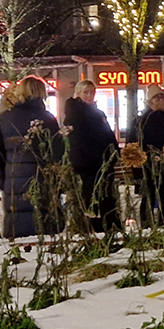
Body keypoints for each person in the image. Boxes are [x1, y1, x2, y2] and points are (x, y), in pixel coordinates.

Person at [0, 76, 64, 239]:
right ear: (42, 93)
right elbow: (58, 153)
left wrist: (4, 176)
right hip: (42, 179)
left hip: (14, 178)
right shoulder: (48, 119)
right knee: (43, 226)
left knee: (18, 225)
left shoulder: (5, 117)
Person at [62, 79, 121, 231]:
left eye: (92, 92)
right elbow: (79, 140)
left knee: (106, 195)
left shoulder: (97, 113)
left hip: (103, 161)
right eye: (86, 92)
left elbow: (107, 135)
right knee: (92, 196)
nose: (89, 96)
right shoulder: (75, 113)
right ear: (78, 93)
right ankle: (95, 227)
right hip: (88, 163)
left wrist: (114, 152)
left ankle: (110, 224)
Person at [138, 90, 164, 223]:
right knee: (149, 194)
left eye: (163, 97)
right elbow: (137, 142)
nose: (161, 100)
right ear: (150, 100)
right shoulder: (144, 119)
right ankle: (146, 224)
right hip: (150, 164)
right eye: (157, 97)